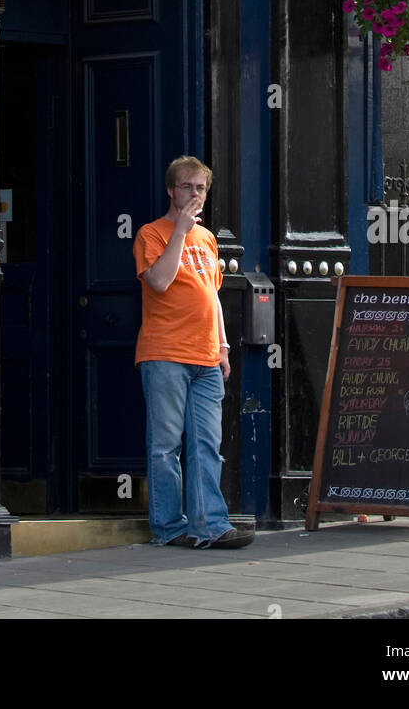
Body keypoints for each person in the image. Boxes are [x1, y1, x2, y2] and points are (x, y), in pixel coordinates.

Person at [134, 155, 254, 550]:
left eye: (201, 188)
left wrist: (222, 346)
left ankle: (210, 525)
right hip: (165, 352)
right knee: (166, 445)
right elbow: (160, 282)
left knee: (206, 443)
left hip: (205, 356)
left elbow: (212, 297)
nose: (195, 194)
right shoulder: (152, 234)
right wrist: (180, 232)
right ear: (171, 190)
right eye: (187, 187)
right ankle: (169, 528)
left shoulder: (208, 239)